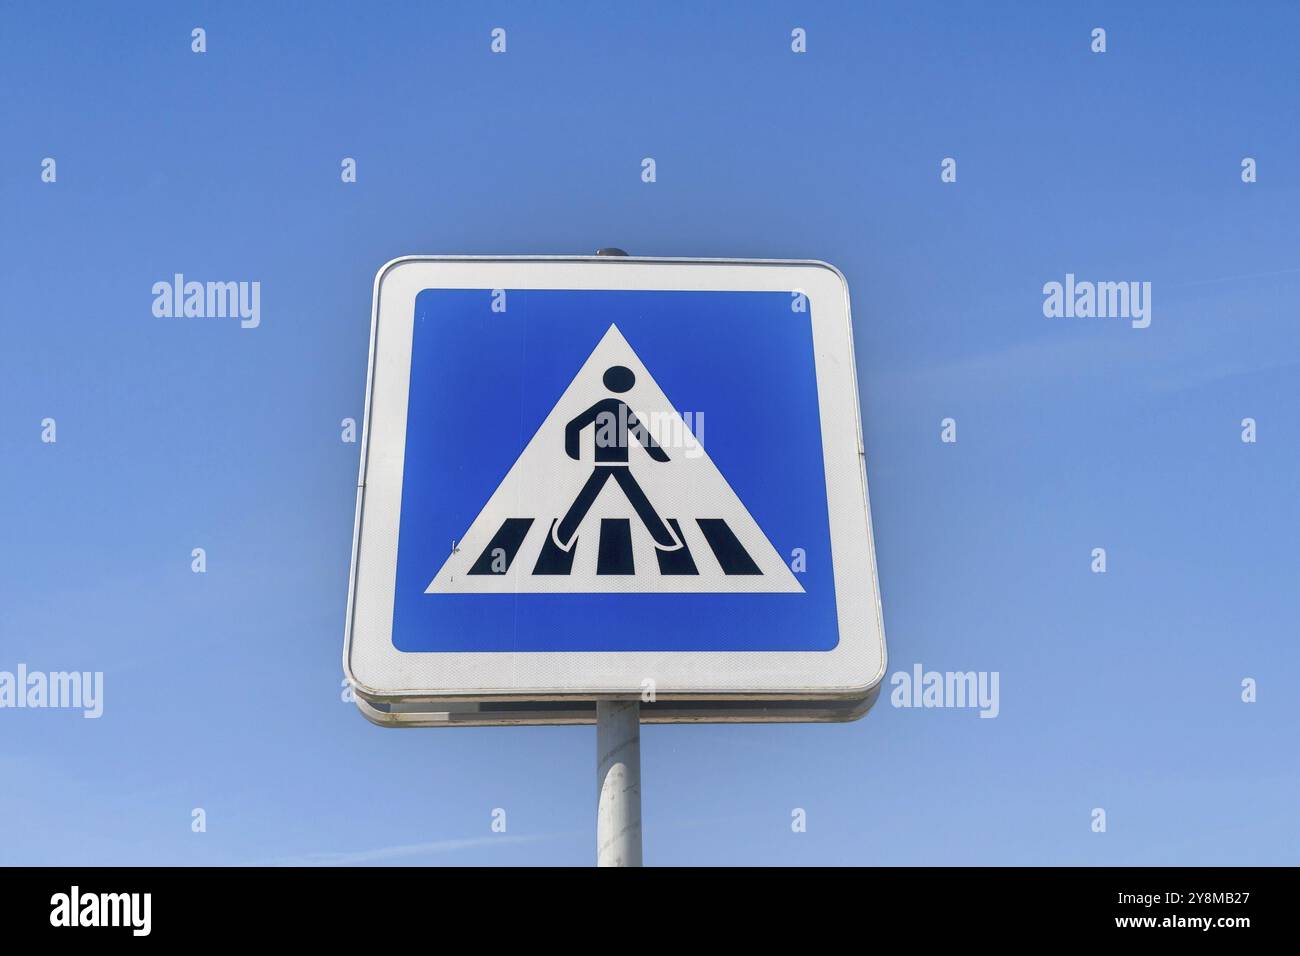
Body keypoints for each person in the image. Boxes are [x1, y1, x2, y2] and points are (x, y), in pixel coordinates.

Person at [553, 365, 681, 550]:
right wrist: (659, 455)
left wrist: (575, 452)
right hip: (615, 462)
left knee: (598, 496)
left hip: (610, 462)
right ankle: (663, 537)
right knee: (633, 498)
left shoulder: (605, 406)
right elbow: (640, 433)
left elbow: (573, 426)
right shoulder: (618, 407)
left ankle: (563, 534)